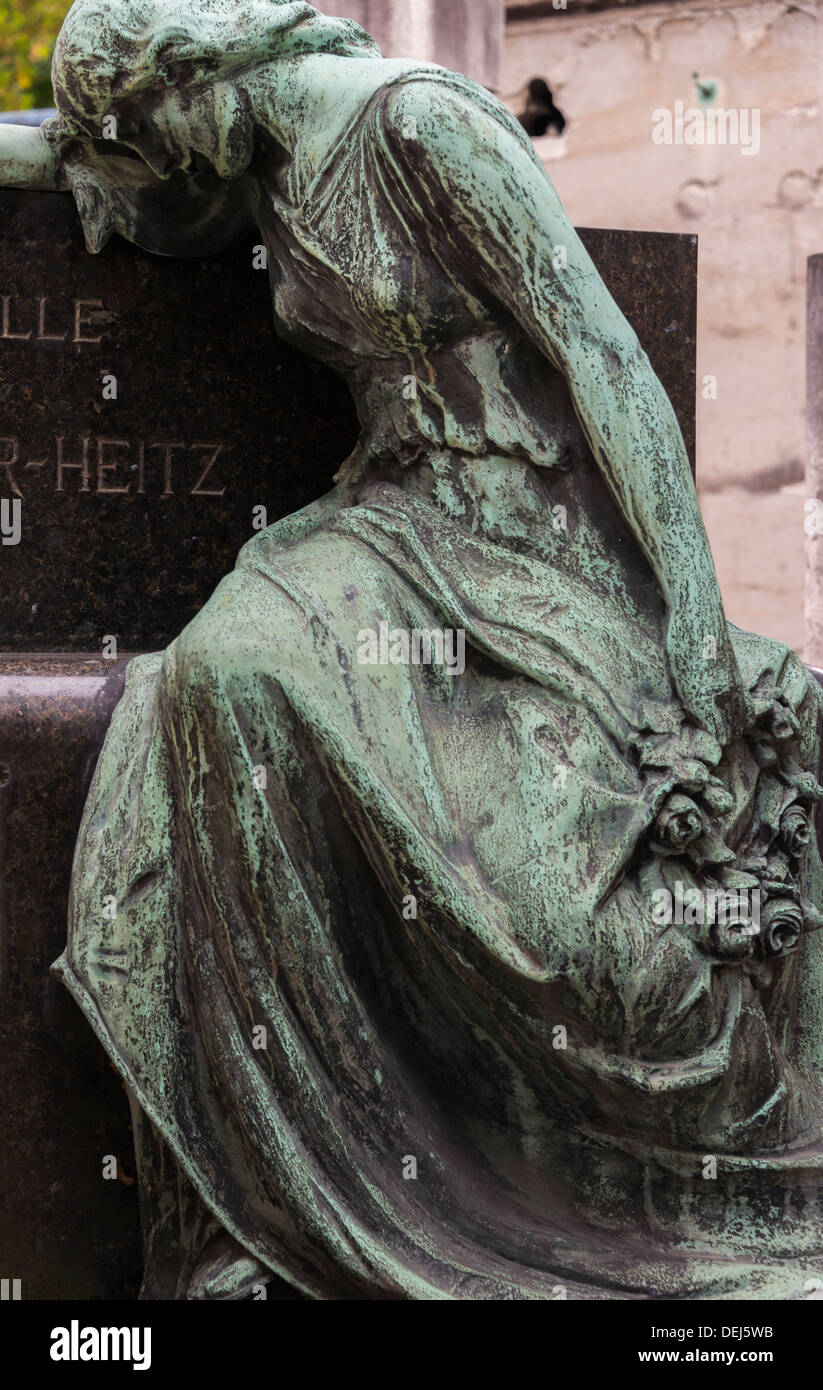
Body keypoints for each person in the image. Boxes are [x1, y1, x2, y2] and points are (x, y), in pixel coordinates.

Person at [3, 0, 822, 1298]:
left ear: (190, 77)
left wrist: (690, 612)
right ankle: (267, 1185)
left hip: (532, 530)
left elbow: (604, 352)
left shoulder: (421, 125)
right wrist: (59, 141)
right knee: (218, 676)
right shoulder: (264, 163)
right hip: (391, 519)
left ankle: (535, 1181)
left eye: (150, 133)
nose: (167, 174)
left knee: (554, 899)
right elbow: (121, 183)